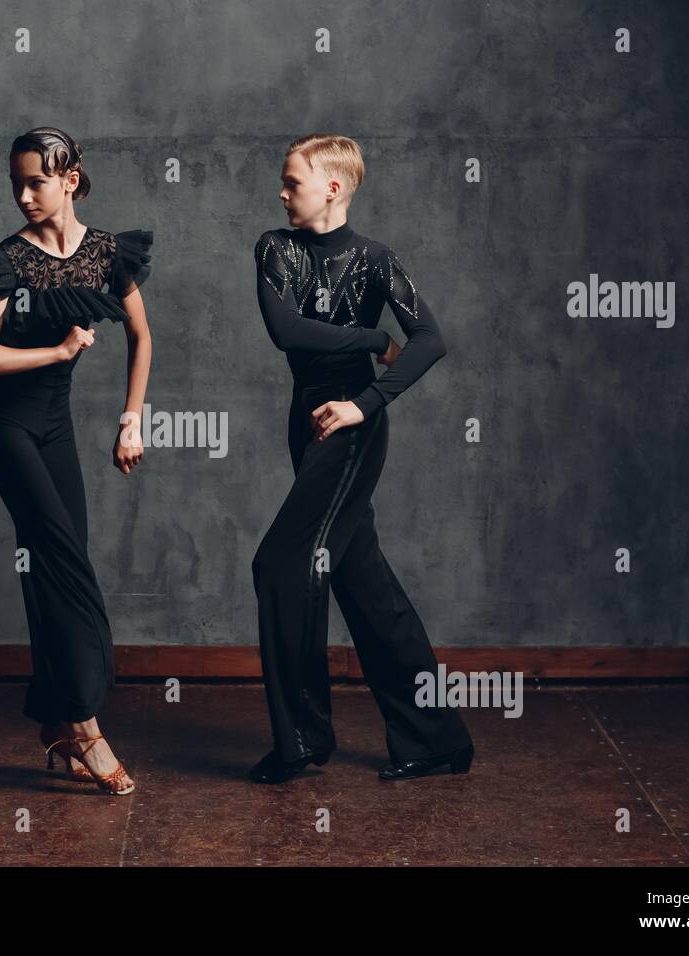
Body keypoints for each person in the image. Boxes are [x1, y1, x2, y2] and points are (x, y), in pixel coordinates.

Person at [248, 133, 475, 784]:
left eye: (293, 182)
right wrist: (377, 336)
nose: (282, 192)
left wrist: (366, 403)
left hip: (350, 429)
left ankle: (302, 740)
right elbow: (287, 332)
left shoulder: (377, 261)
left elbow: (430, 340)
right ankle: (436, 738)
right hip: (307, 421)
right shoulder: (275, 249)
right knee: (365, 585)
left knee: (279, 565)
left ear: (334, 187)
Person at [0, 127, 153, 795]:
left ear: (69, 179)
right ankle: (86, 729)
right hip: (3, 422)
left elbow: (142, 333)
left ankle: (56, 722)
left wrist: (132, 419)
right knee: (62, 560)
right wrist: (59, 353)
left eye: (35, 181)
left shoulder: (105, 254)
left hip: (54, 425)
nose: (22, 195)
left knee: (59, 558)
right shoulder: (9, 262)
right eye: (15, 182)